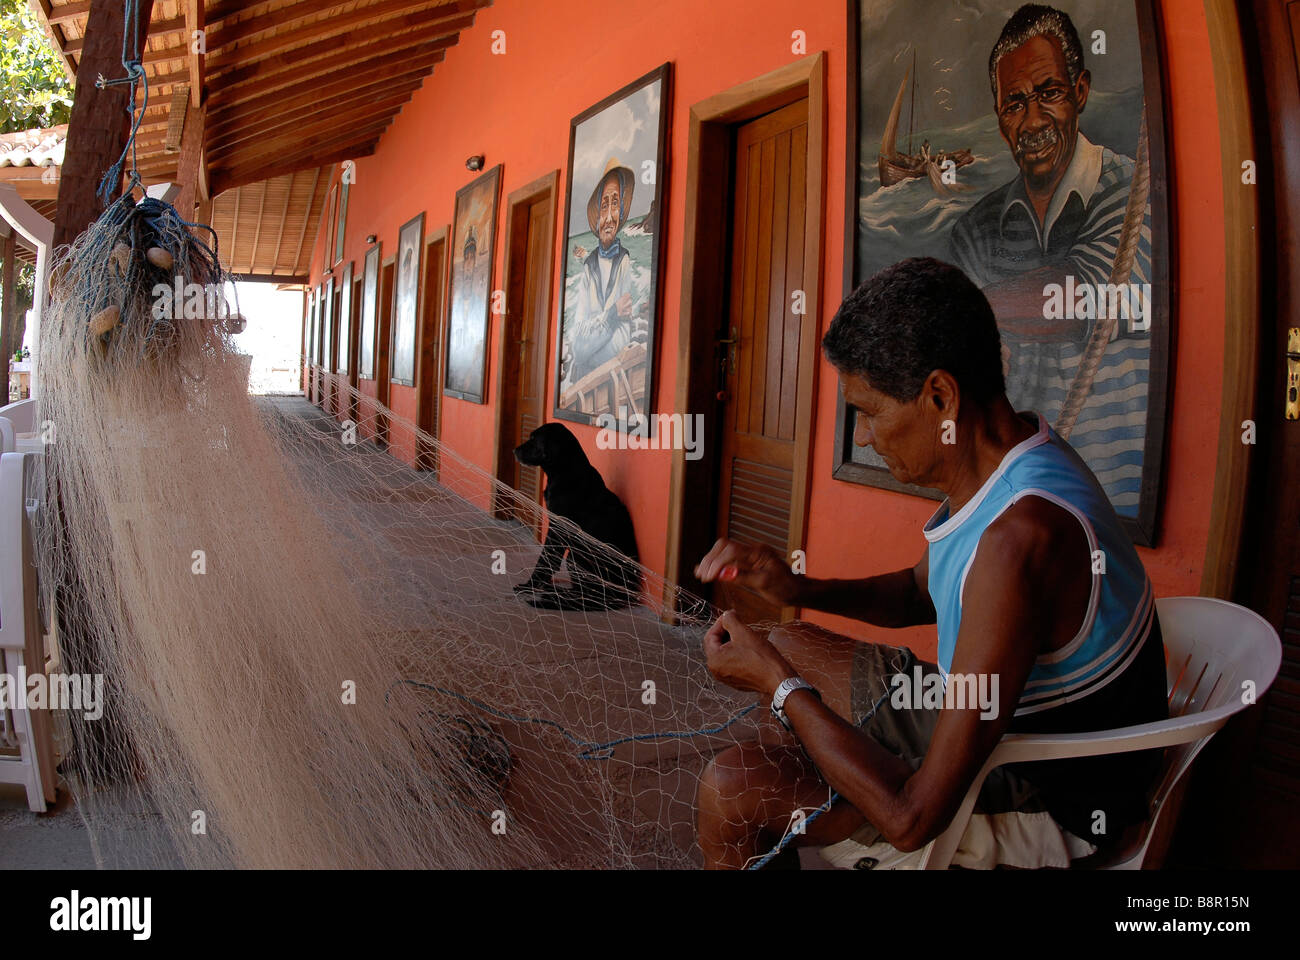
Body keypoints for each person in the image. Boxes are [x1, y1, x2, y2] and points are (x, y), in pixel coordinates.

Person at [694, 257, 1168, 870]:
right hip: (994, 719)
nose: (864, 436)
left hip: (1054, 798)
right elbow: (922, 592)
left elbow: (911, 817)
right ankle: (822, 806)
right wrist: (797, 588)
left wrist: (778, 685)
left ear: (941, 397)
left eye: (870, 411)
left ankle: (811, 812)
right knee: (789, 643)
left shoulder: (1017, 539)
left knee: (731, 792)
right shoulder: (1010, 455)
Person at [947, 3, 1152, 515]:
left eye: (1050, 93)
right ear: (999, 119)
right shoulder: (974, 232)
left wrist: (957, 314)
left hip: (1113, 505)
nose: (1033, 120)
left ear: (1080, 91)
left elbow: (1077, 297)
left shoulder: (1134, 195)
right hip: (1010, 502)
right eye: (1014, 103)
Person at [563, 157, 639, 388]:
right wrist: (612, 314)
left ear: (621, 211)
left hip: (608, 380)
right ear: (597, 215)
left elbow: (622, 339)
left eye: (615, 204)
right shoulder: (588, 266)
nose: (609, 217)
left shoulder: (624, 261)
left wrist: (589, 348)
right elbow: (577, 342)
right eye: (604, 205)